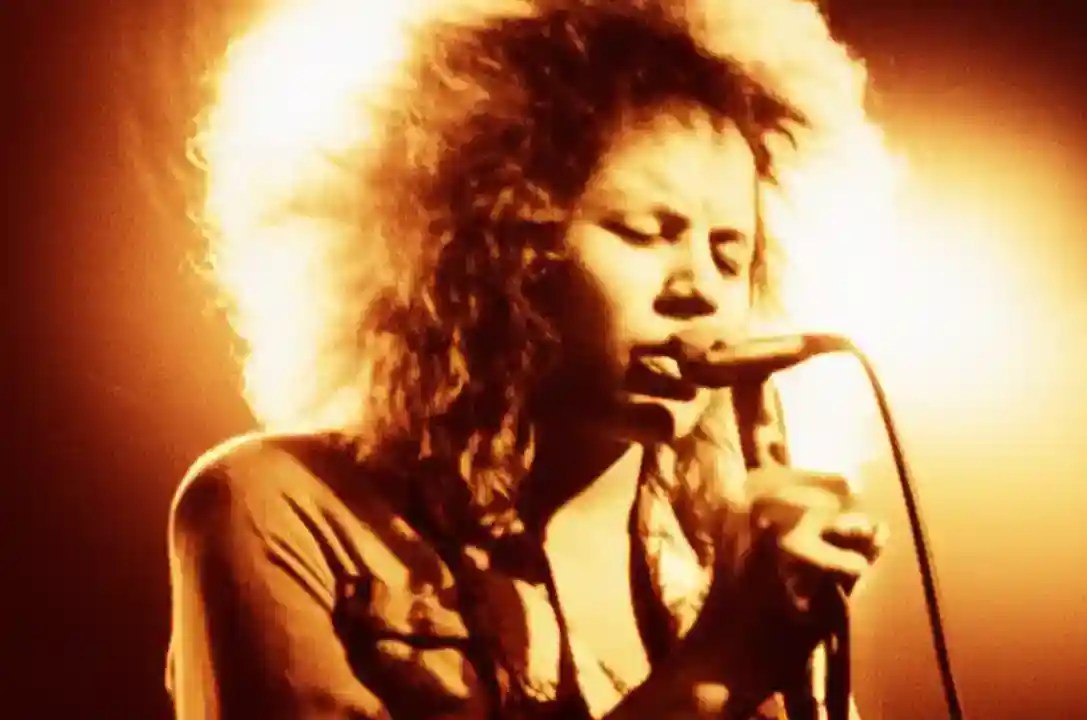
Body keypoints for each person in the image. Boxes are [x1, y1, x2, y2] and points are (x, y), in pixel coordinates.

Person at [166, 1, 886, 717]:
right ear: (500, 251)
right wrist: (717, 670)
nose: (699, 289)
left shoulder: (728, 566)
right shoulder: (274, 507)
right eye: (644, 233)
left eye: (730, 255)